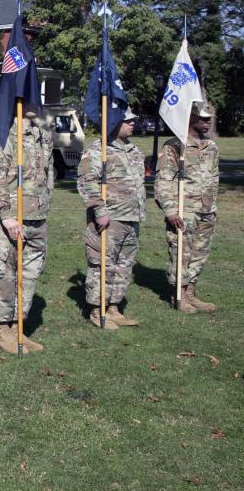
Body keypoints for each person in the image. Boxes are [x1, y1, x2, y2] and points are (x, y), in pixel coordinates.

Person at [0, 102, 53, 355]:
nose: (34, 101)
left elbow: (48, 175)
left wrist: (44, 207)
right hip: (9, 220)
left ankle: (16, 326)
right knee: (4, 273)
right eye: (27, 95)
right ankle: (1, 330)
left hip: (36, 218)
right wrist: (6, 216)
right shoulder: (2, 135)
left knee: (29, 275)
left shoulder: (42, 136)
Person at [76, 109, 146, 329]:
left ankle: (113, 307)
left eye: (133, 120)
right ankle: (98, 310)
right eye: (127, 121)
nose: (132, 123)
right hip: (110, 219)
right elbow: (87, 181)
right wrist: (100, 211)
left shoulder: (135, 151)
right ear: (114, 121)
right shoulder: (98, 150)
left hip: (131, 217)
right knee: (102, 265)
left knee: (123, 266)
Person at [155, 100, 220, 313]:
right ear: (191, 118)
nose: (208, 122)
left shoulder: (211, 147)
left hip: (206, 210)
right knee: (181, 253)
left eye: (209, 119)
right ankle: (179, 295)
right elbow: (164, 181)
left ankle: (191, 292)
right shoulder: (175, 146)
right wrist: (170, 211)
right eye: (203, 119)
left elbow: (214, 178)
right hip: (185, 210)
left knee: (199, 253)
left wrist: (213, 207)